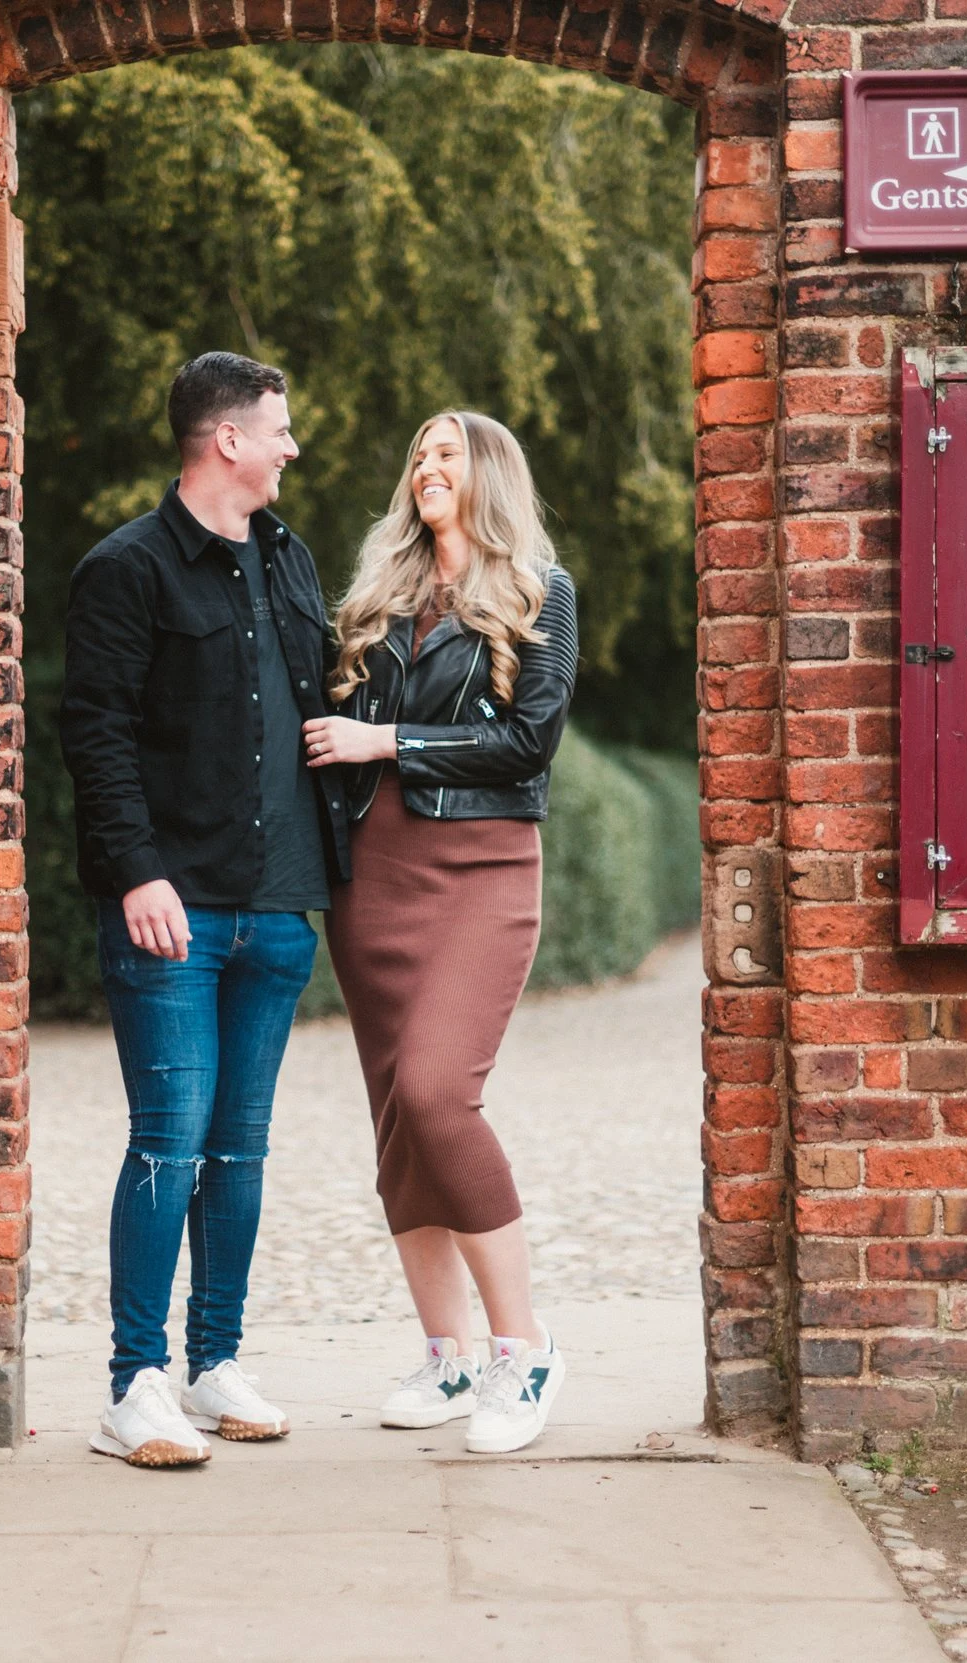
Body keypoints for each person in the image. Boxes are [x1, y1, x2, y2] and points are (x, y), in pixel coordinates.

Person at [59, 352, 350, 1469]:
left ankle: (212, 1360)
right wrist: (137, 873)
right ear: (225, 439)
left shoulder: (288, 561)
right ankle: (133, 1385)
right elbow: (96, 733)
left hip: (276, 912)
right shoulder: (125, 569)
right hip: (168, 913)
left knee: (239, 1152)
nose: (290, 448)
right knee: (167, 1147)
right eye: (277, 429)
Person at [301, 410, 579, 1456]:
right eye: (415, 453)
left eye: (446, 453)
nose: (426, 467)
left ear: (489, 474)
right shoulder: (380, 600)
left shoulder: (541, 593)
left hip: (483, 869)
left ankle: (524, 1348)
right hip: (374, 877)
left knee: (435, 1091)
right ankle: (447, 1354)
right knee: (394, 1119)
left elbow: (526, 740)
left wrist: (388, 738)